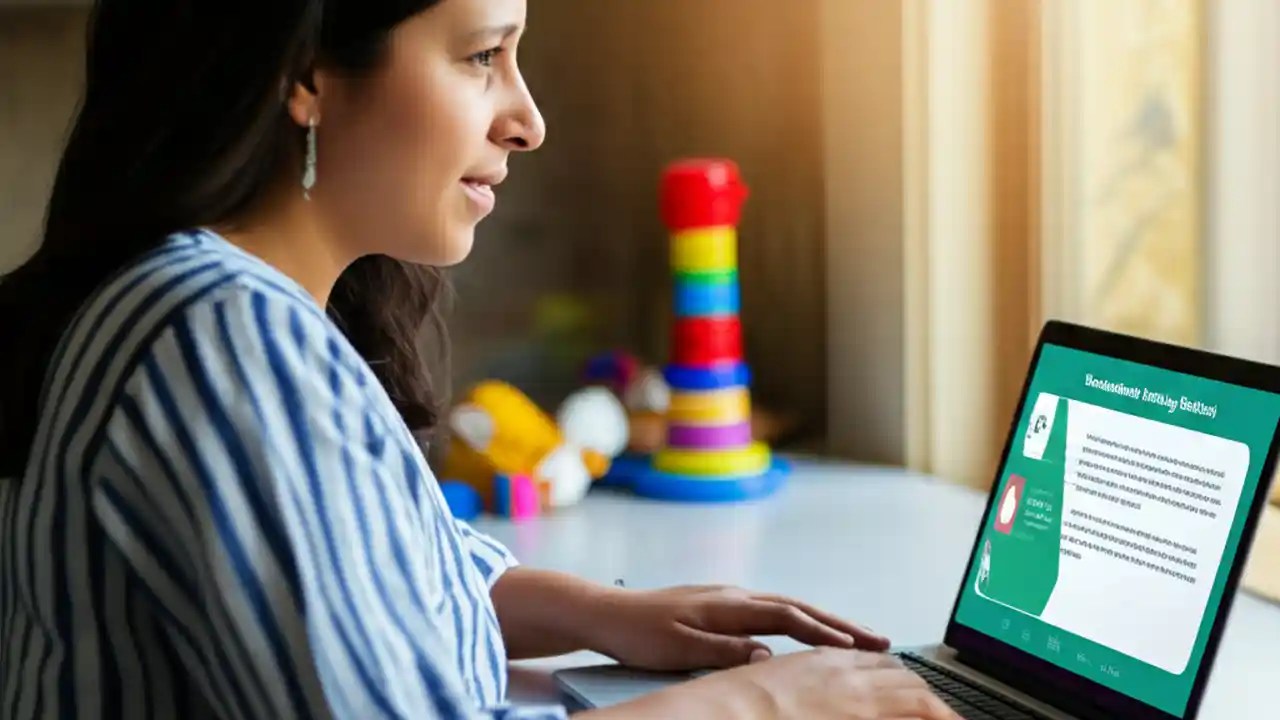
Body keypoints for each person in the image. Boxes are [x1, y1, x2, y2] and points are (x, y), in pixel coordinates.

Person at [0, 1, 959, 718]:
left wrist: (601, 614)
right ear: (305, 74)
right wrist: (770, 704)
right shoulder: (223, 336)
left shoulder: (204, 298)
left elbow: (371, 580)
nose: (527, 119)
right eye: (481, 57)